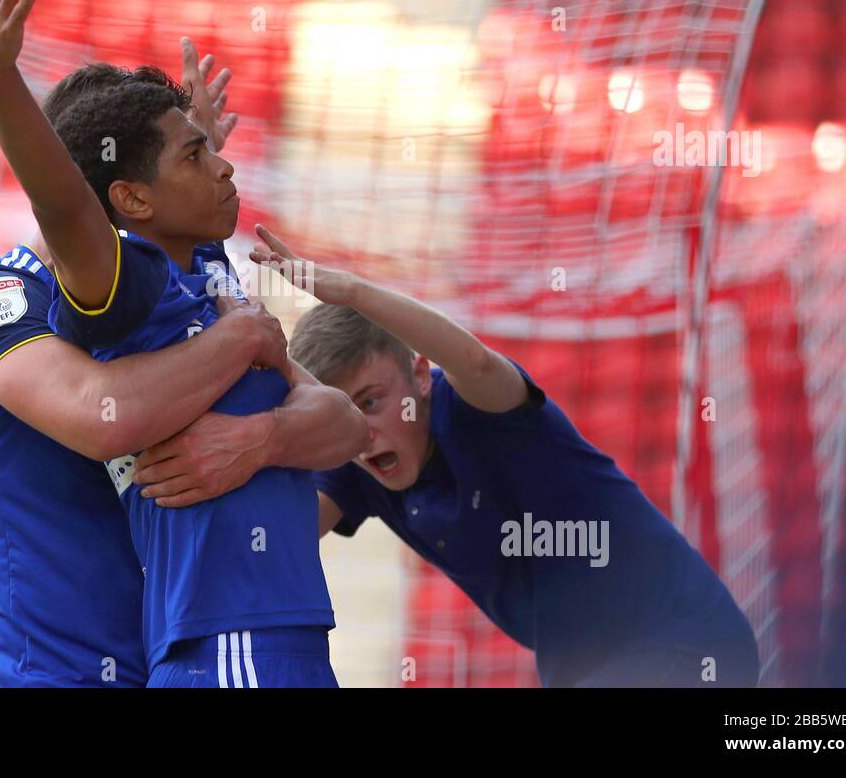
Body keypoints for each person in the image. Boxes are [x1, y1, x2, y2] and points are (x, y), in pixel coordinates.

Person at [0, 0, 369, 687]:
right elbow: (68, 204)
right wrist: (0, 80)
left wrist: (264, 435)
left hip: (278, 639)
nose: (224, 168)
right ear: (131, 198)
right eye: (196, 157)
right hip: (226, 646)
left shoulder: (211, 283)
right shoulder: (128, 291)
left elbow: (345, 428)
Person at [251, 224, 760, 688]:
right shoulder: (356, 463)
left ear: (420, 376)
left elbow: (471, 357)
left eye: (371, 402)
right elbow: (277, 533)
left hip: (689, 642)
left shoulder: (479, 406)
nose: (361, 432)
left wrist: (352, 291)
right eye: (344, 410)